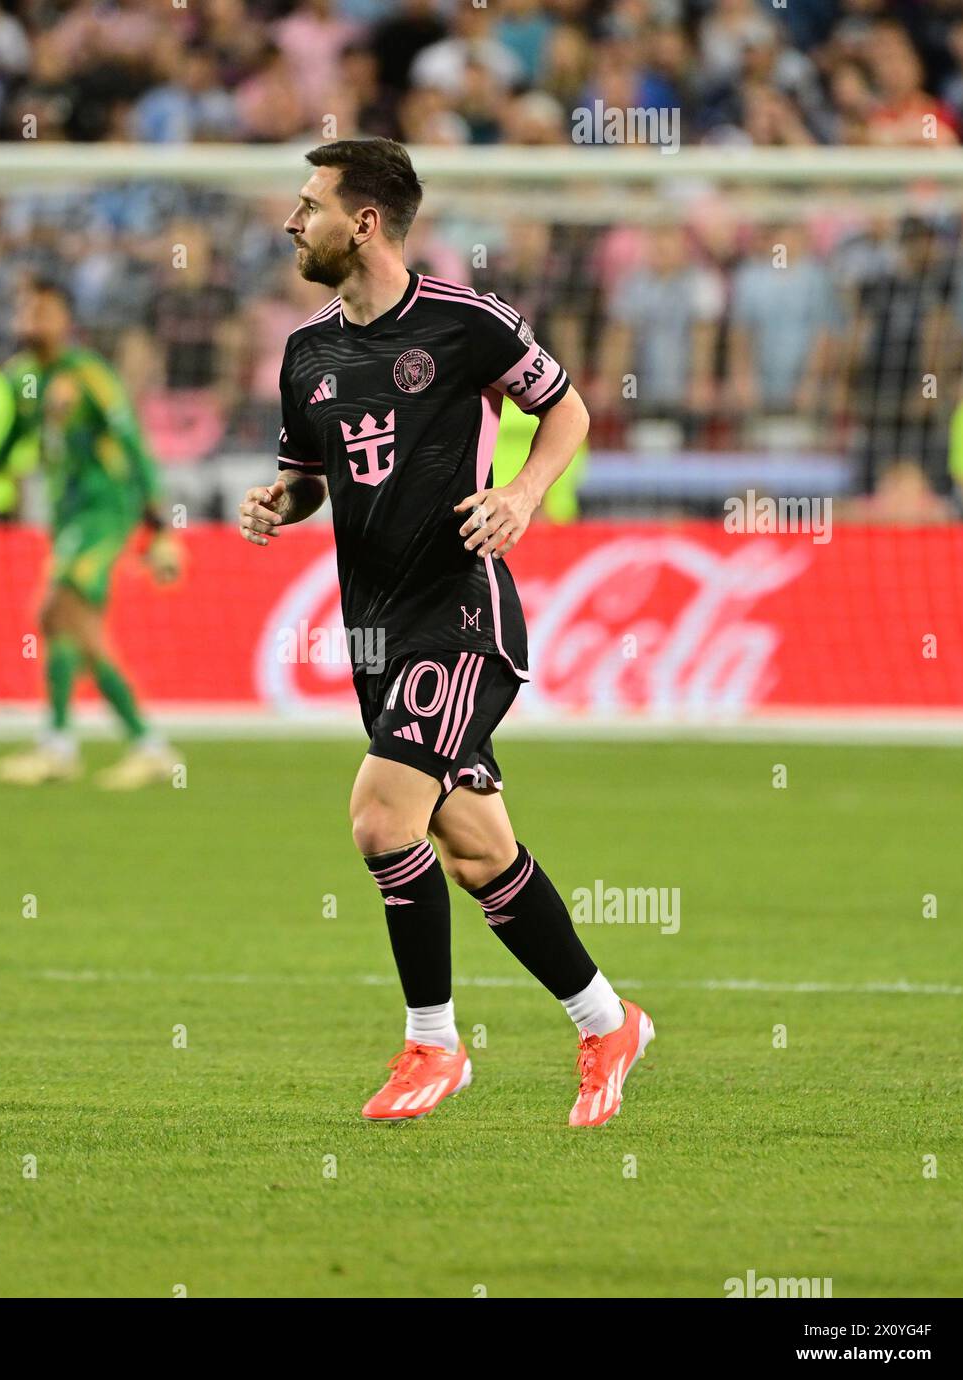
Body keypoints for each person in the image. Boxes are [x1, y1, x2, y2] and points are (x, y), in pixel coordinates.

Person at [238, 139, 654, 1127]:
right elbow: (312, 476)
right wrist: (276, 501)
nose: (294, 223)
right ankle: (607, 1020)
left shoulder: (465, 323)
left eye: (310, 205)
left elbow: (568, 410)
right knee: (473, 851)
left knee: (383, 818)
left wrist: (521, 490)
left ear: (365, 222)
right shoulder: (307, 352)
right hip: (375, 631)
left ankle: (434, 1043)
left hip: (460, 612)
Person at [0, 276, 182, 790]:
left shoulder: (89, 374)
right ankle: (140, 746)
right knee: (72, 629)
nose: (33, 321)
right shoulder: (21, 378)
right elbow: (16, 438)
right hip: (66, 516)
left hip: (106, 511)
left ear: (65, 320)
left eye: (44, 312)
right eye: (26, 312)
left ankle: (65, 745)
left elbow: (134, 445)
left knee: (56, 611)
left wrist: (159, 529)